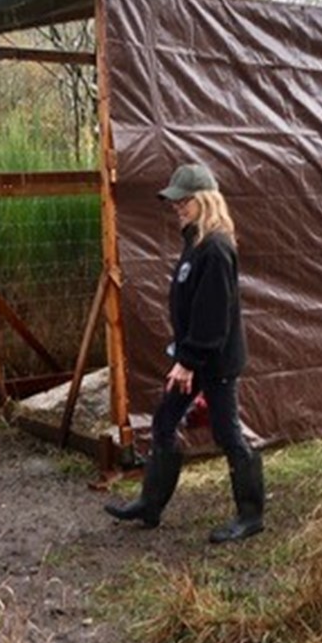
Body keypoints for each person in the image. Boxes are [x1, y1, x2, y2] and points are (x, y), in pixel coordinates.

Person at [105, 162, 266, 543]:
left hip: (213, 361)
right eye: (175, 201)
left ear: (205, 201)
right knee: (164, 422)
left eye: (184, 200)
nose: (176, 206)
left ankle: (251, 515)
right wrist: (185, 356)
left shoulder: (216, 248)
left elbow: (214, 315)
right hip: (193, 358)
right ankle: (150, 505)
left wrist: (189, 361)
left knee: (228, 434)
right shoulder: (195, 242)